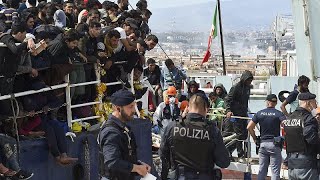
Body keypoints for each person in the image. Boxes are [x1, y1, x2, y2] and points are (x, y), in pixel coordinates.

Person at [160, 93, 230, 180]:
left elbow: (163, 155)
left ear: (188, 107)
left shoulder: (173, 127)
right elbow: (224, 162)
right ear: (206, 109)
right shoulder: (212, 131)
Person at [99, 89, 151, 180]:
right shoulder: (111, 132)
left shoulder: (123, 128)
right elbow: (112, 162)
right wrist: (136, 168)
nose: (134, 110)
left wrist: (138, 166)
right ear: (118, 109)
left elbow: (124, 157)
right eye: (130, 107)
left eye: (134, 106)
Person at [247, 94, 285, 180]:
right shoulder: (279, 114)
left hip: (263, 144)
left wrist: (255, 138)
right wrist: (283, 137)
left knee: (262, 170)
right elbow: (286, 125)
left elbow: (249, 127)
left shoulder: (259, 113)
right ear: (275, 103)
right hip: (275, 144)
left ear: (267, 102)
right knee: (275, 171)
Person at [282, 92, 320, 179]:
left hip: (292, 164)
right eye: (314, 102)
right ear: (308, 103)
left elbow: (287, 140)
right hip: (306, 164)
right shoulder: (308, 119)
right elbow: (312, 139)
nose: (315, 105)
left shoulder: (290, 118)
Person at [224, 70, 253, 159]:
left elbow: (245, 102)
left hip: (243, 114)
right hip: (235, 115)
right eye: (248, 80)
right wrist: (228, 110)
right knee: (239, 134)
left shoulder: (248, 88)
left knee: (244, 135)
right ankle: (239, 153)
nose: (249, 82)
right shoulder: (236, 87)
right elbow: (227, 100)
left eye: (250, 80)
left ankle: (230, 150)